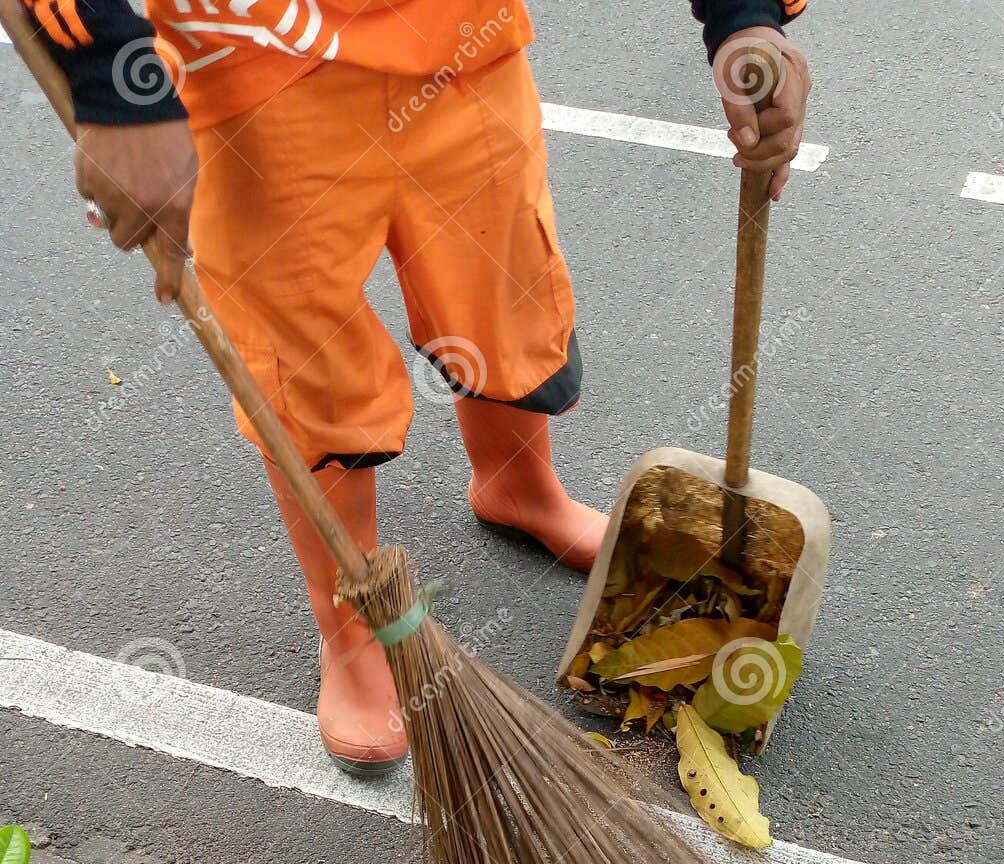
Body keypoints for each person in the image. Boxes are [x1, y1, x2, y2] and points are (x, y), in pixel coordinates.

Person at [27, 0, 812, 771]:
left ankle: (518, 489)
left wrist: (743, 15)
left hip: (462, 43)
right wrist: (110, 80)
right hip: (254, 76)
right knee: (305, 367)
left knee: (501, 294)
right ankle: (352, 625)